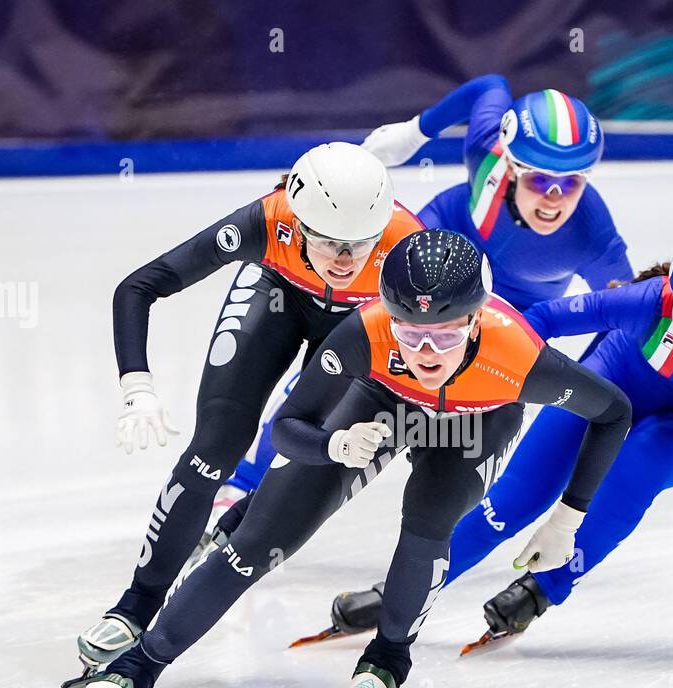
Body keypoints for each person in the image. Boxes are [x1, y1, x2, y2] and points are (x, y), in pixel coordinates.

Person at [62, 230, 632, 688]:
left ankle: (387, 656)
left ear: (477, 321)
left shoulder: (521, 357)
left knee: (428, 523)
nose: (426, 353)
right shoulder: (364, 332)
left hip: (477, 421)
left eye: (445, 335)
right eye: (410, 333)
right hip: (380, 403)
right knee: (256, 543)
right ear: (389, 315)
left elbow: (614, 412)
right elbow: (288, 425)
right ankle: (141, 665)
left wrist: (567, 518)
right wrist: (331, 448)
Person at [327, 227, 673, 657]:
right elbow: (538, 322)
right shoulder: (646, 303)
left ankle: (546, 587)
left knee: (645, 459)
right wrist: (466, 372)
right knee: (516, 499)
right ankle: (403, 592)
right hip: (618, 380)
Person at [71, 143, 422, 678]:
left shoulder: (406, 247)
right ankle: (137, 604)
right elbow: (138, 287)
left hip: (355, 326)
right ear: (299, 222)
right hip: (276, 295)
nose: (346, 261)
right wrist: (136, 386)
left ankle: (232, 523)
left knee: (305, 456)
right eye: (330, 244)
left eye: (360, 245)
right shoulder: (266, 220)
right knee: (214, 449)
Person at [216, 76, 632, 504]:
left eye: (573, 182)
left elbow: (624, 316)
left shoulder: (593, 235)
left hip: (508, 313)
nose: (554, 198)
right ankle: (248, 480)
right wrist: (417, 130)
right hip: (433, 249)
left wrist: (579, 381)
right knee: (343, 355)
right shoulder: (485, 145)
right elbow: (488, 86)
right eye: (539, 181)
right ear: (509, 163)